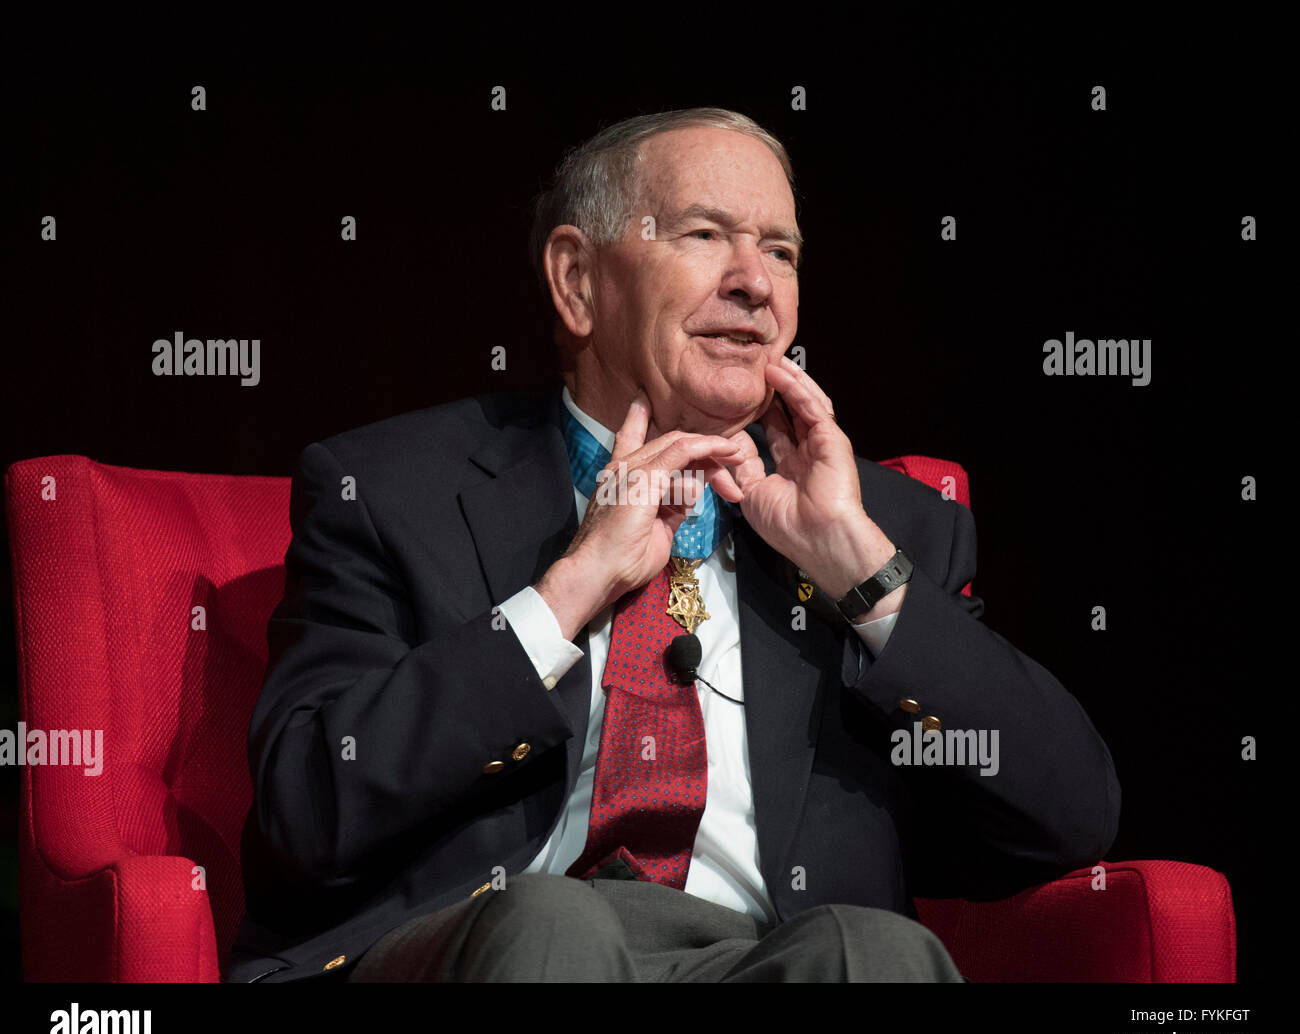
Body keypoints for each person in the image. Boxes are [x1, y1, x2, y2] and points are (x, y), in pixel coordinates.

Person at [226, 107, 1120, 983]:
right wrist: (566, 591)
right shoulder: (392, 491)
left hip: (753, 955)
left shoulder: (888, 528)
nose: (755, 283)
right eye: (704, 234)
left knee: (871, 953)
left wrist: (860, 571)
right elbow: (302, 819)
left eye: (781, 250)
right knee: (553, 924)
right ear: (577, 280)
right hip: (496, 942)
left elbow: (1070, 818)